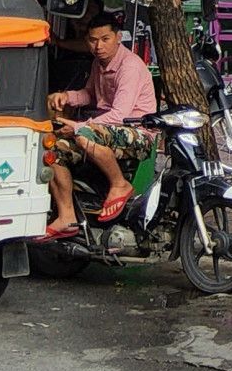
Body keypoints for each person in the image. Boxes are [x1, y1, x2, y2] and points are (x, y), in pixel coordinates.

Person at [45, 12, 158, 236]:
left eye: (105, 39)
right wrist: (66, 96)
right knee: (53, 150)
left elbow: (119, 114)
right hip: (106, 130)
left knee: (84, 135)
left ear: (118, 38)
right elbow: (90, 95)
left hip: (135, 133)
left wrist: (78, 127)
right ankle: (67, 216)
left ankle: (120, 184)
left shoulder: (130, 66)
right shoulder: (99, 63)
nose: (98, 46)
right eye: (93, 40)